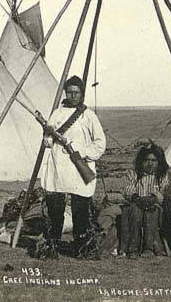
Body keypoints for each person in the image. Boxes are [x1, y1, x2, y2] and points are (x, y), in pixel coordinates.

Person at [37, 75, 106, 260]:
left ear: (82, 94)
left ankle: (82, 249)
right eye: (70, 92)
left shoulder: (89, 115)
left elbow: (100, 143)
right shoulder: (57, 113)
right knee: (55, 207)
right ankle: (52, 247)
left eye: (76, 92)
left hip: (78, 167)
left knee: (80, 209)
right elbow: (48, 142)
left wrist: (80, 152)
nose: (73, 95)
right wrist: (49, 137)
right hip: (58, 167)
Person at [119, 143, 171, 258]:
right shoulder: (133, 174)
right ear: (141, 161)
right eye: (146, 160)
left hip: (155, 205)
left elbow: (164, 192)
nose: (150, 164)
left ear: (159, 162)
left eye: (154, 160)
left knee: (151, 212)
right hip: (136, 203)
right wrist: (137, 198)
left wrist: (153, 199)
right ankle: (133, 249)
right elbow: (127, 189)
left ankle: (149, 248)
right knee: (135, 211)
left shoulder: (163, 175)